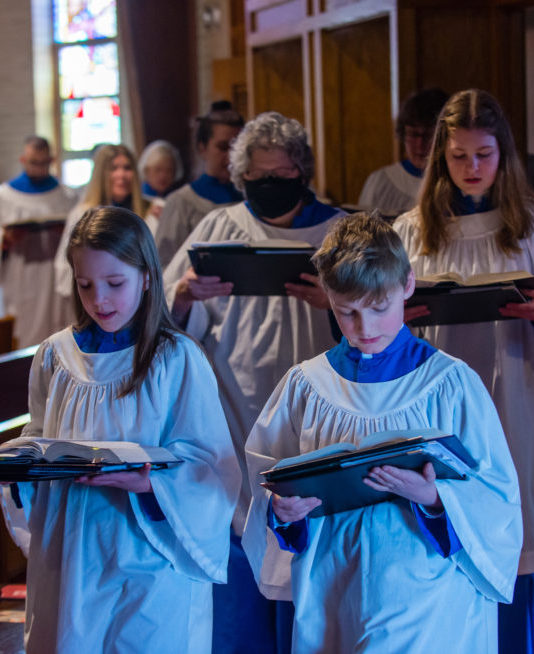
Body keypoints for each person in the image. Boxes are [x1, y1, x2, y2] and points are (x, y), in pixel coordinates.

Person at [242, 212, 522, 653]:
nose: (365, 329)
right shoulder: (306, 387)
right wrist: (282, 511)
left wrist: (432, 498)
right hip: (334, 591)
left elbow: (498, 498)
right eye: (347, 312)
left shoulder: (450, 383)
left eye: (379, 308)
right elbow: (267, 484)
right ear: (328, 298)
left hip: (429, 596)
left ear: (407, 284)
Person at [392, 89, 534, 654]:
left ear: (504, 154)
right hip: (436, 414)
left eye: (483, 155)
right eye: (459, 156)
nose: (471, 168)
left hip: (519, 405)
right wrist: (398, 318)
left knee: (522, 546)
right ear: (440, 156)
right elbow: (368, 322)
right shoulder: (412, 231)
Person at [0, 207, 240, 653]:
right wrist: (18, 469)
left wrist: (148, 482)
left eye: (114, 284)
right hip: (71, 555)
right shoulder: (55, 356)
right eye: (85, 285)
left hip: (150, 561)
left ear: (148, 277)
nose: (99, 300)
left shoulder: (177, 358)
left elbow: (211, 465)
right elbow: (40, 436)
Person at [162, 111, 345, 654]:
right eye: (258, 177)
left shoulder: (338, 231)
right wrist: (187, 294)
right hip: (236, 411)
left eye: (282, 174)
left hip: (320, 417)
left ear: (303, 172)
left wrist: (334, 303)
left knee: (310, 560)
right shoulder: (219, 227)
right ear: (241, 179)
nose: (271, 186)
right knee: (242, 555)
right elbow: (165, 310)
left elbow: (379, 313)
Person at [0, 136, 77, 346]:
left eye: (43, 163)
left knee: (60, 333)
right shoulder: (4, 197)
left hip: (55, 277)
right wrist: (3, 239)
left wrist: (67, 233)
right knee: (25, 337)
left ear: (52, 160)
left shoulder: (67, 195)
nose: (39, 169)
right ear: (23, 160)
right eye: (33, 163)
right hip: (21, 278)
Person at [154, 100, 245, 268]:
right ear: (202, 148)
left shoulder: (251, 198)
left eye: (238, 147)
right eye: (223, 147)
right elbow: (163, 266)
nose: (232, 156)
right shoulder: (181, 202)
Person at [53, 144, 147, 298]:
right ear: (101, 174)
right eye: (114, 168)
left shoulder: (150, 211)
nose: (121, 175)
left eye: (127, 168)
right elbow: (64, 267)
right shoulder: (83, 214)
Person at [358, 88, 449, 217]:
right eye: (413, 134)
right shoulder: (380, 182)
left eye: (428, 135)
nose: (419, 144)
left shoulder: (457, 183)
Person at [138, 139, 183, 230]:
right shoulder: (137, 199)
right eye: (158, 170)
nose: (163, 176)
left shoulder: (180, 200)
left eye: (169, 170)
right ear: (146, 171)